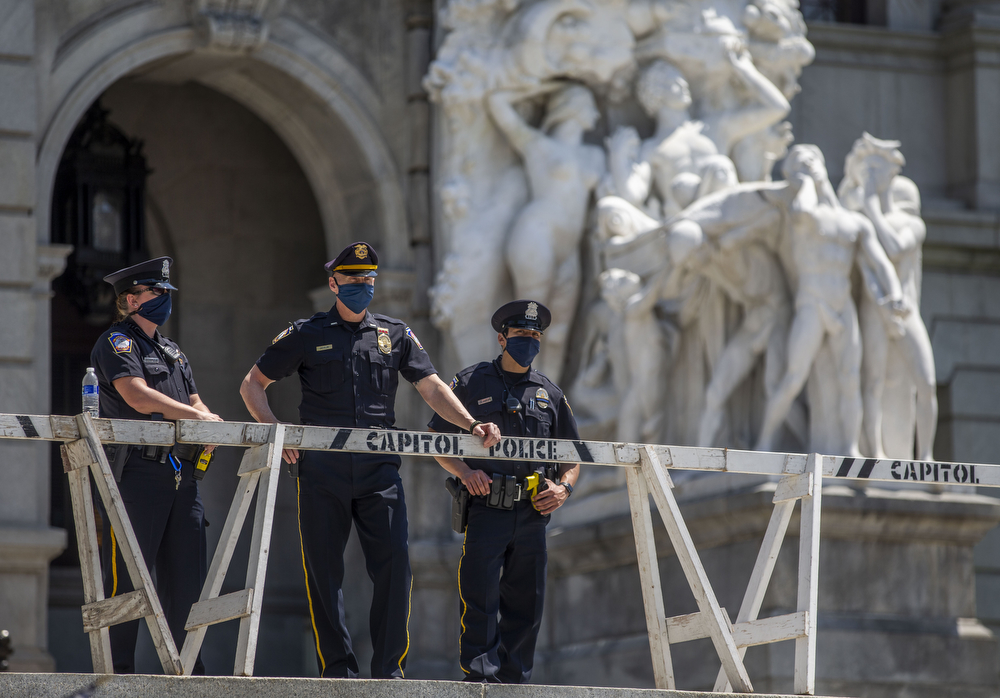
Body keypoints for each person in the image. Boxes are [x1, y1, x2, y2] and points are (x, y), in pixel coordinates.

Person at [239, 242, 500, 679]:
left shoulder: (394, 334)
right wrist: (275, 431)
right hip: (322, 468)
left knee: (396, 566)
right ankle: (337, 669)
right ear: (333, 283)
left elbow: (431, 386)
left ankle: (388, 671)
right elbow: (252, 385)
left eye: (368, 280)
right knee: (324, 572)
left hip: (380, 469)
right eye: (353, 280)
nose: (361, 286)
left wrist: (472, 423)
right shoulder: (306, 332)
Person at [428, 300, 580, 684]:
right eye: (520, 335)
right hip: (487, 508)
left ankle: (515, 683)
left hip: (532, 513)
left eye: (534, 336)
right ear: (501, 338)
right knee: (479, 597)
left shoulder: (550, 394)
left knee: (527, 604)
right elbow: (436, 440)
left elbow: (572, 458)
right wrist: (464, 472)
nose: (528, 341)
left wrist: (563, 490)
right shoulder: (471, 382)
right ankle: (480, 680)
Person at [90, 256, 223, 674]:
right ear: (131, 299)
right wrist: (194, 415)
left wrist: (209, 418)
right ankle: (117, 675)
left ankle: (188, 671)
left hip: (182, 477)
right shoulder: (117, 343)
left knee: (186, 583)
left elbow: (195, 400)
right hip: (136, 476)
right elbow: (137, 396)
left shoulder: (171, 349)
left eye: (166, 292)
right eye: (156, 292)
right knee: (128, 579)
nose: (164, 299)